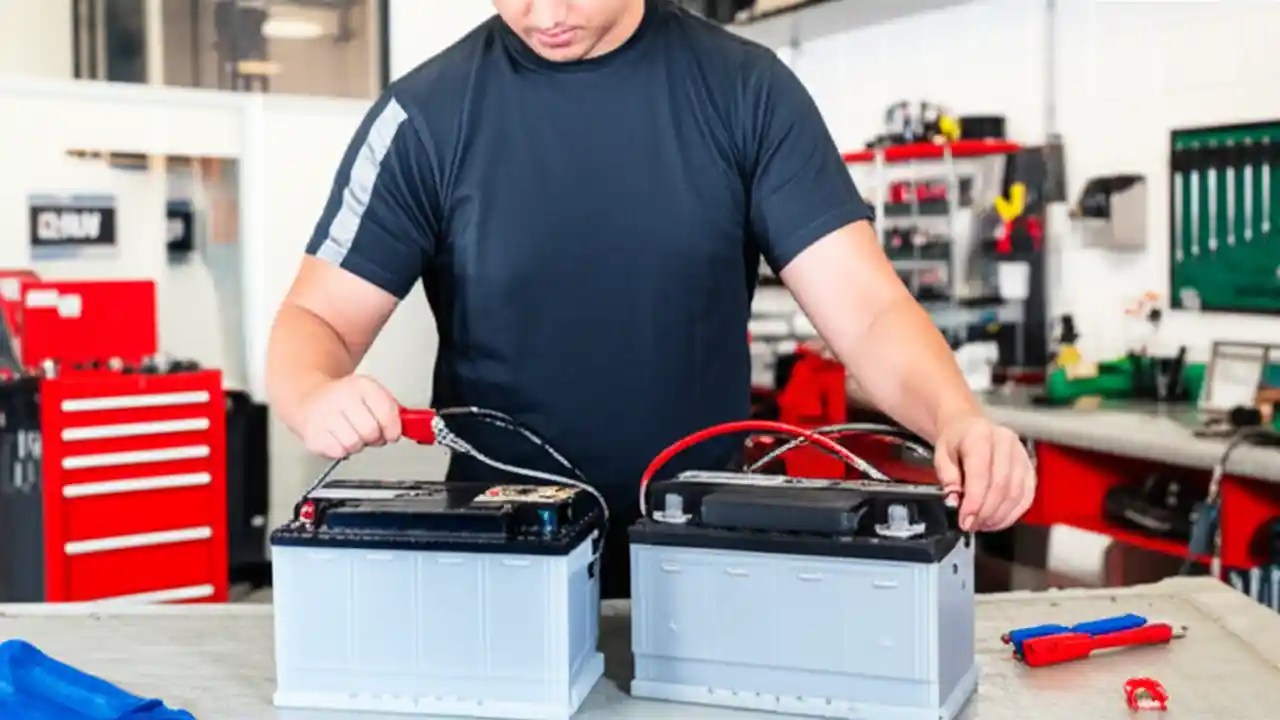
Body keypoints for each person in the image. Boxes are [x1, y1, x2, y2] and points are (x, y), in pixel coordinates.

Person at [266, 0, 1036, 598]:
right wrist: (313, 391)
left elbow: (866, 312)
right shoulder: (424, 118)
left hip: (702, 557)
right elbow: (317, 318)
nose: (541, 14)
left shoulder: (747, 90)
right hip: (501, 566)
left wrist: (955, 415)